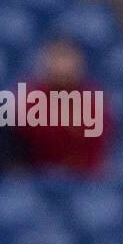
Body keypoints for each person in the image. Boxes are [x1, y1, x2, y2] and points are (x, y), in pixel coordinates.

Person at [18, 38, 113, 175]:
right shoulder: (31, 96)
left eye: (67, 58)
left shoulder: (92, 98)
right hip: (38, 176)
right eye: (57, 58)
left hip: (82, 178)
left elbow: (94, 142)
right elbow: (35, 140)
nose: (62, 66)